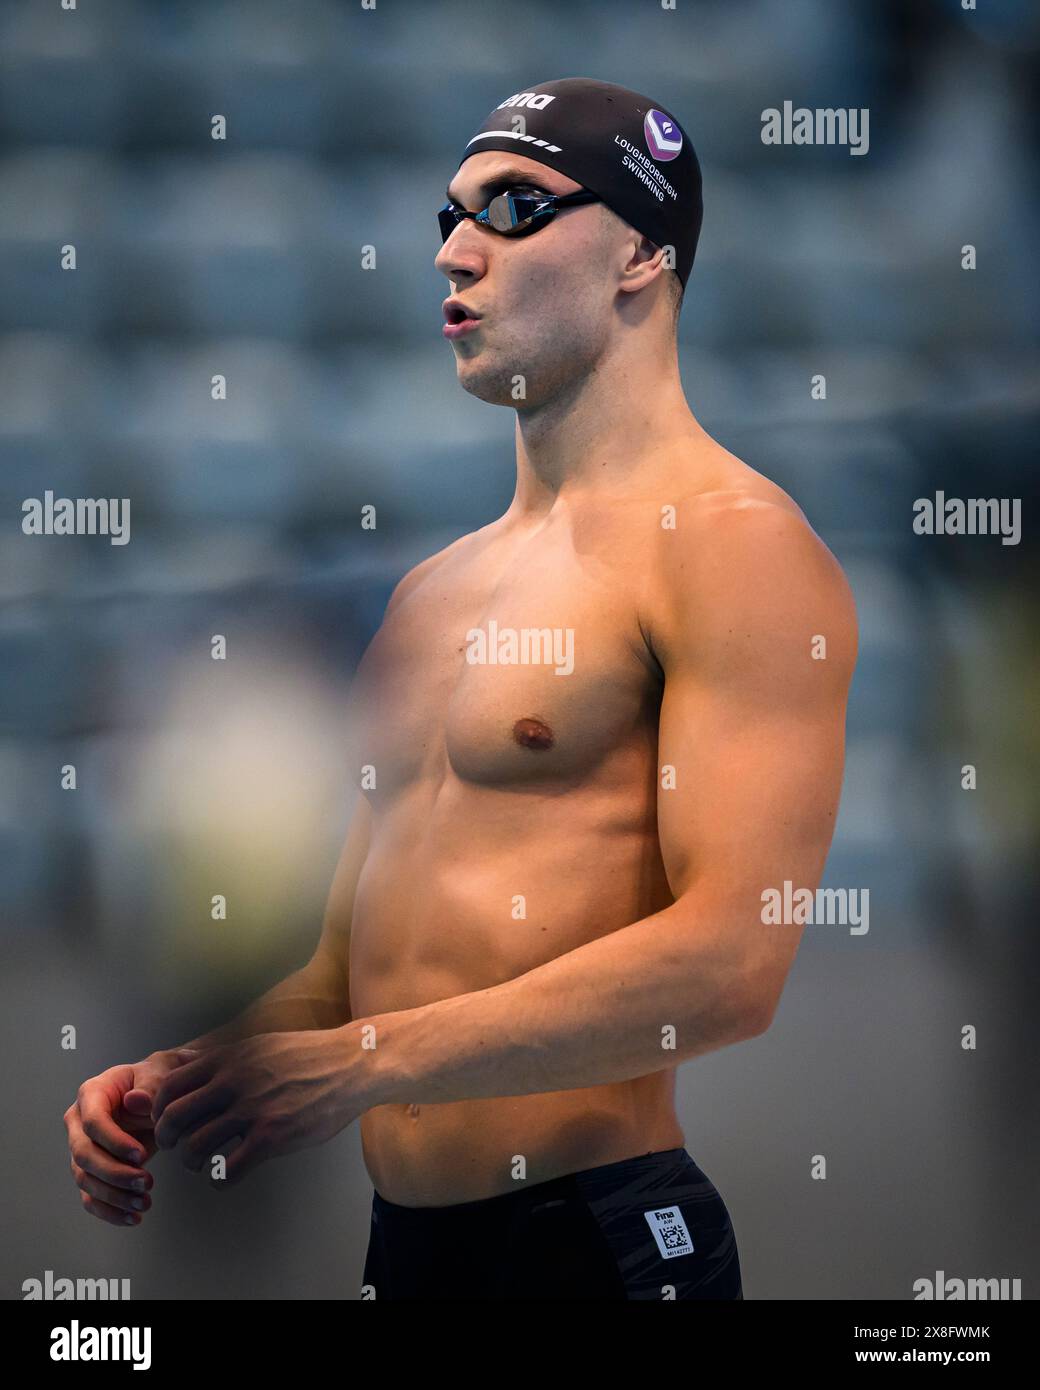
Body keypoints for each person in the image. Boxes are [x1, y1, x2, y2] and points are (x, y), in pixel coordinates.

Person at [64, 78, 857, 1300]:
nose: (451, 248)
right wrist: (198, 1070)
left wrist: (366, 1061)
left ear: (642, 252)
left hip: (597, 1239)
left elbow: (731, 964)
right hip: (406, 1250)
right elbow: (341, 977)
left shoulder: (732, 543)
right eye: (449, 213)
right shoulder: (430, 596)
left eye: (513, 207)